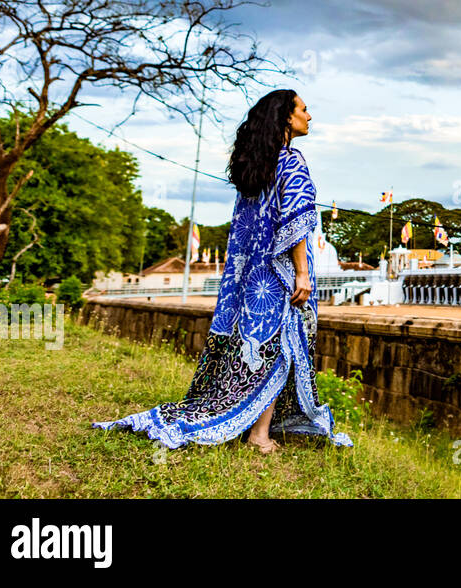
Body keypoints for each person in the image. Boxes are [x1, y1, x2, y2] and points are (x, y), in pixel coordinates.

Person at [92, 90, 353, 452]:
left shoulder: (256, 166)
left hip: (250, 276)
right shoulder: (292, 160)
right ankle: (258, 435)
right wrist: (302, 274)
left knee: (261, 348)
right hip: (278, 275)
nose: (310, 116)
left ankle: (256, 425)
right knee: (279, 351)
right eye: (304, 110)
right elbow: (295, 221)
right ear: (285, 117)